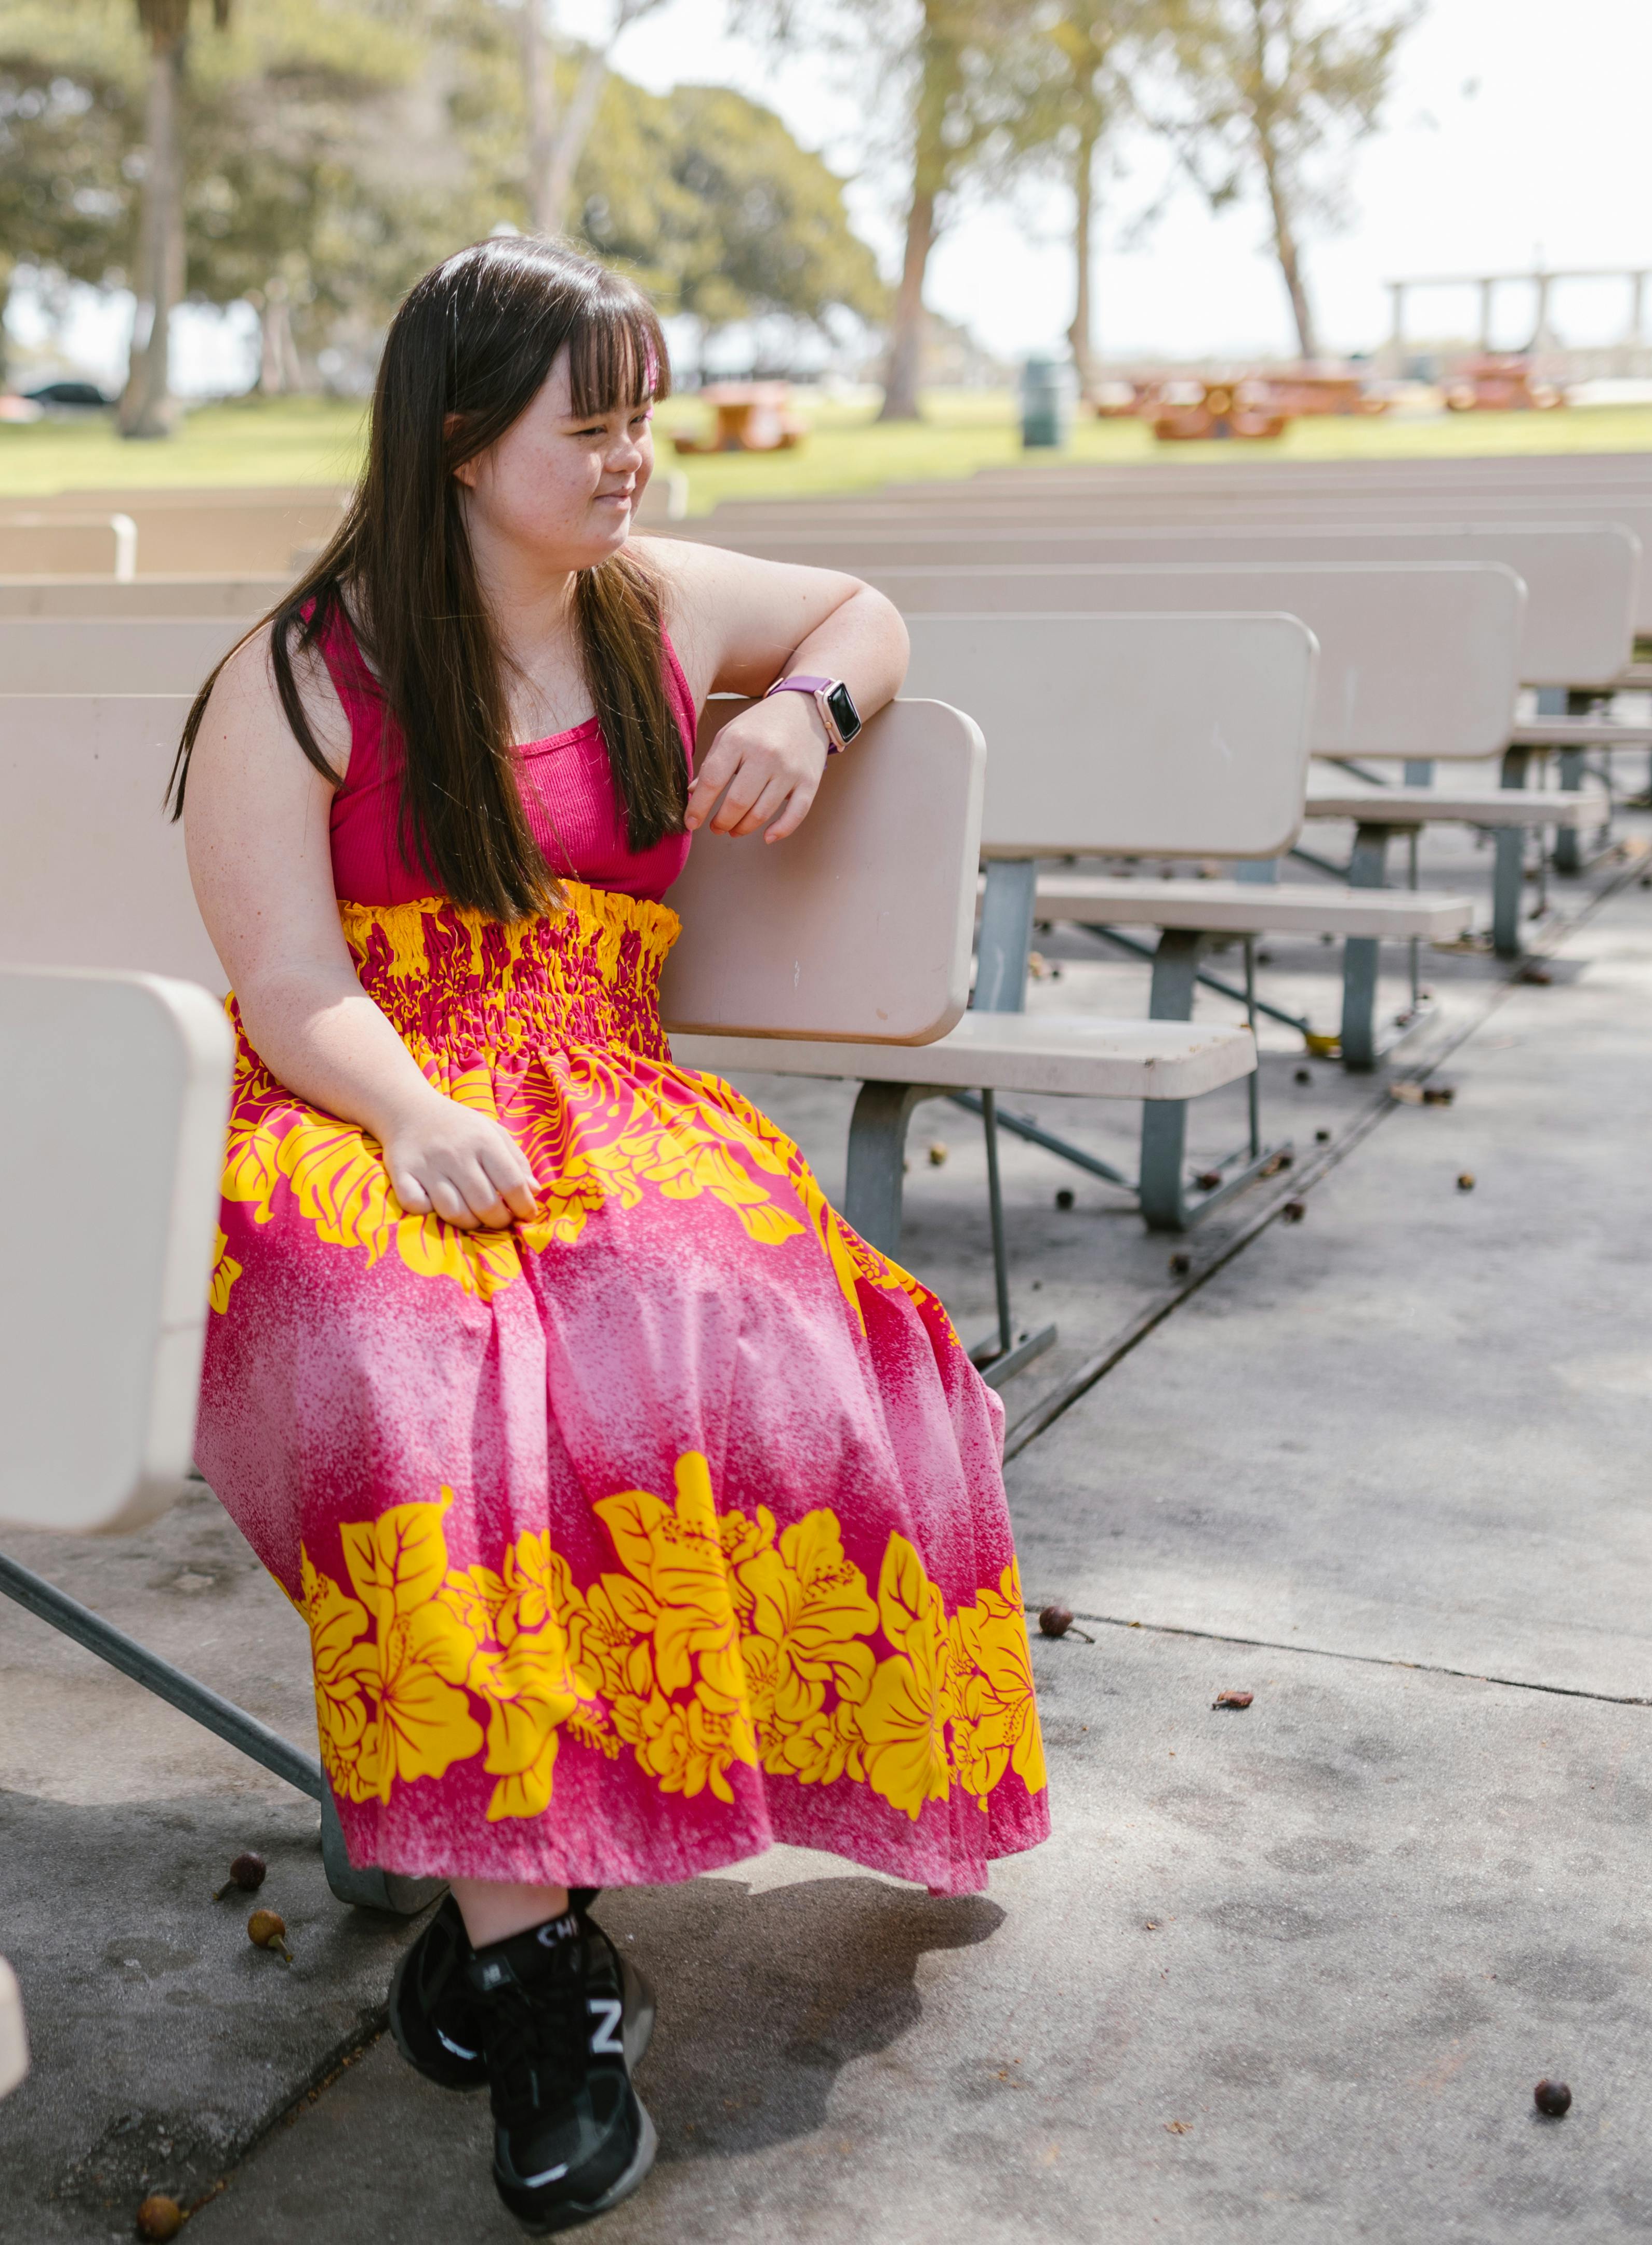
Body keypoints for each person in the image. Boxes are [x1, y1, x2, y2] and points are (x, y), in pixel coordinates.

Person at [172, 237, 1047, 2233]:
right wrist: (414, 1114)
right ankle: (551, 1976)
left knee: (744, 1331)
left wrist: (815, 714)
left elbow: (862, 608)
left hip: (607, 1093)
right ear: (465, 443)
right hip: (360, 1101)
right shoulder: (308, 670)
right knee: (415, 1390)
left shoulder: (656, 607)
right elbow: (288, 983)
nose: (636, 455)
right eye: (596, 422)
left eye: (645, 413)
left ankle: (498, 1954)